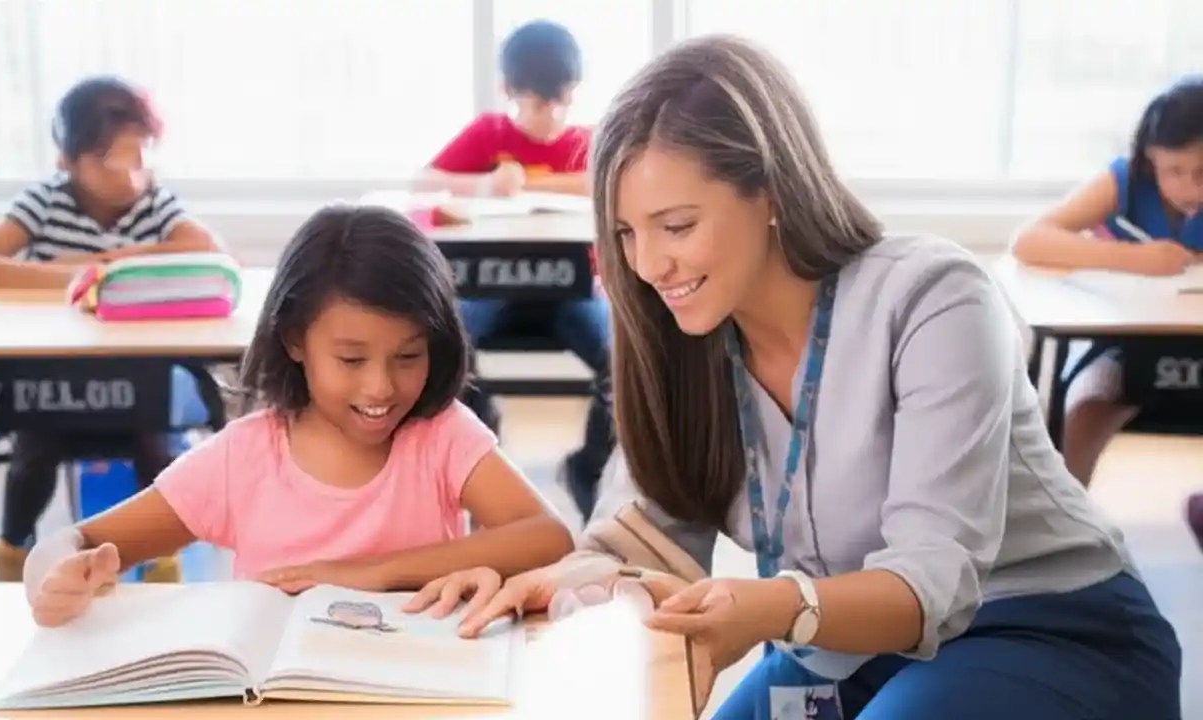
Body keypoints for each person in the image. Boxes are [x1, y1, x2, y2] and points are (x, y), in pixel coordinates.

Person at [460, 36, 1182, 719]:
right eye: (626, 233)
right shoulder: (687, 341)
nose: (648, 266)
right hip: (842, 644)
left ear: (772, 191)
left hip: (1042, 624)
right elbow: (645, 543)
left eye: (676, 226)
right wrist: (563, 583)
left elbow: (933, 582)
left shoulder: (933, 297)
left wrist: (770, 609)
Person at [23, 205, 574, 628]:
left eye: (409, 356)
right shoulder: (243, 457)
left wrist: (373, 572)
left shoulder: (441, 434)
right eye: (351, 360)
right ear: (294, 340)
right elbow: (75, 541)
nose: (381, 386)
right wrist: (54, 579)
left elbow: (549, 537)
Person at [0, 76, 222, 582]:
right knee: (34, 446)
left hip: (135, 384)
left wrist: (116, 262)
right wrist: (81, 278)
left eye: (139, 156)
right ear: (68, 160)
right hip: (54, 382)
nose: (129, 175)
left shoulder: (153, 203)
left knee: (157, 440)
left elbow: (209, 252)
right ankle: (12, 553)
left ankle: (162, 564)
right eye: (109, 160)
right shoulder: (46, 200)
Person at [419, 20, 613, 521]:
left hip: (571, 290)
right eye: (536, 103)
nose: (548, 116)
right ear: (508, 90)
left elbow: (608, 178)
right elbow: (424, 181)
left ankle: (588, 469)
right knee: (445, 345)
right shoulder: (490, 135)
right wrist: (486, 186)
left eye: (558, 103)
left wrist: (529, 183)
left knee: (625, 358)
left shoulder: (586, 141)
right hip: (492, 286)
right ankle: (486, 460)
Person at [1013, 76, 1203, 490]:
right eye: (1174, 170)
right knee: (1084, 404)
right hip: (1126, 345)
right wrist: (1134, 258)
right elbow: (1028, 241)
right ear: (1151, 157)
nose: (1190, 188)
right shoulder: (1124, 181)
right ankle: (1068, 512)